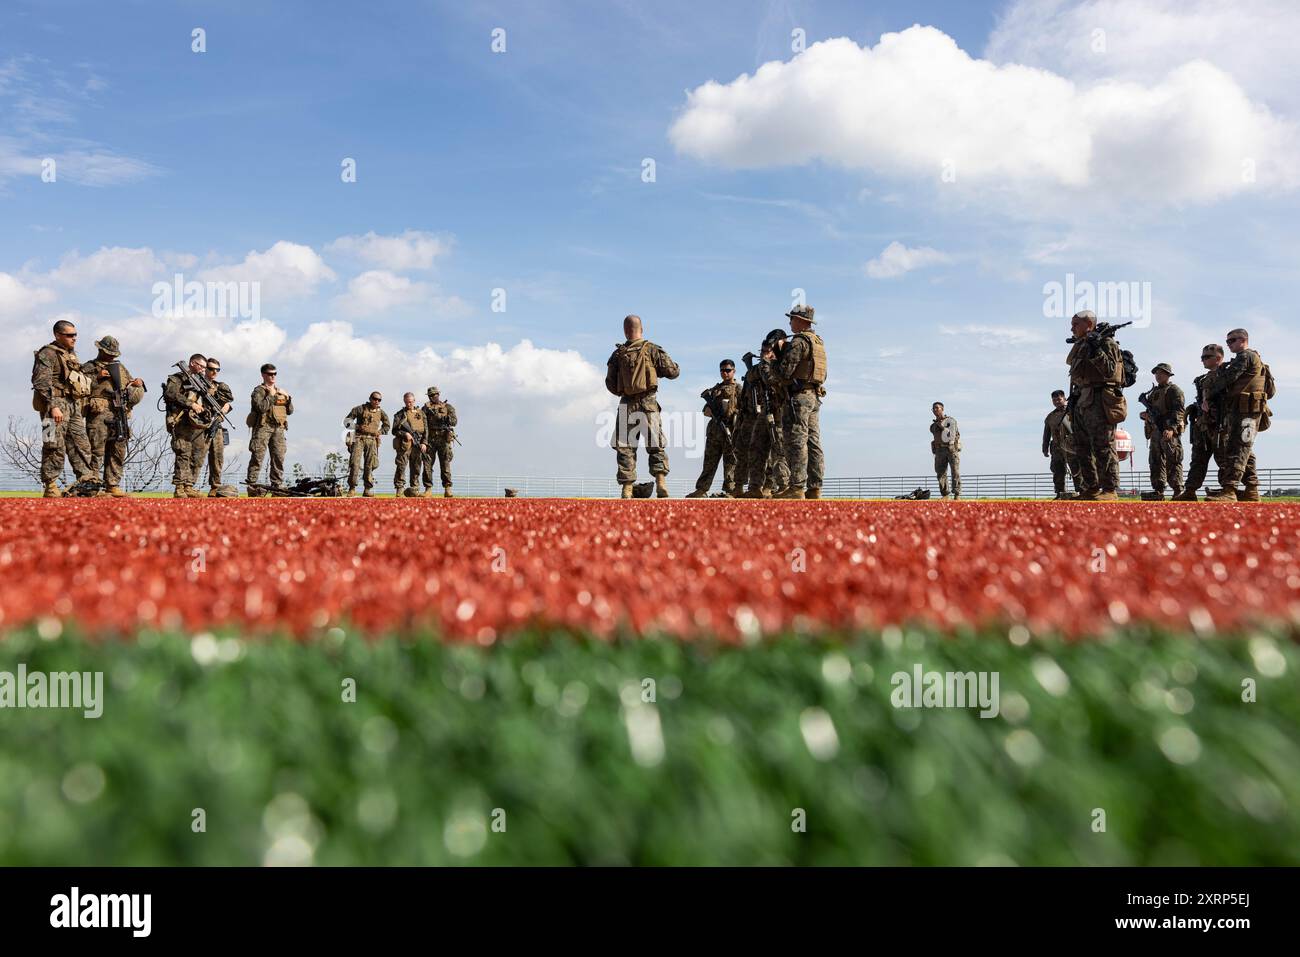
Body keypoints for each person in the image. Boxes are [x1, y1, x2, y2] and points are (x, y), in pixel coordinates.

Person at [605, 314, 680, 498]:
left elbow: (610, 383)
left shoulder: (617, 354)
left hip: (626, 404)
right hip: (648, 403)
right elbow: (673, 372)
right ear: (642, 329)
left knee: (625, 446)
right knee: (655, 444)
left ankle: (627, 488)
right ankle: (661, 482)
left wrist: (625, 391)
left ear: (625, 330)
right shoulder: (652, 349)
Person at [30, 319, 95, 497]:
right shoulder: (47, 354)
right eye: (69, 335)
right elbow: (40, 382)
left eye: (75, 334)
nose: (74, 338)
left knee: (81, 444)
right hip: (53, 406)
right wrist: (52, 407)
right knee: (52, 445)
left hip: (72, 405)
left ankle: (87, 483)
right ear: (57, 335)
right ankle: (50, 486)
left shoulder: (70, 354)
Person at [1065, 310, 1126, 501]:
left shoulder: (1106, 343)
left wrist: (1096, 349)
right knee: (1081, 446)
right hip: (1082, 399)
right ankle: (1091, 487)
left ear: (1089, 324)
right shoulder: (1080, 345)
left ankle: (1109, 489)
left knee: (1103, 446)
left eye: (1076, 324)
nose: (1072, 328)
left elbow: (1109, 370)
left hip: (1100, 399)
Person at [1205, 329, 1271, 502]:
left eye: (1232, 340)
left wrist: (1209, 395)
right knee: (1244, 450)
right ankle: (1251, 489)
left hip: (1246, 411)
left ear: (1243, 340)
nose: (1229, 344)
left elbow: (1226, 379)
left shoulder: (1245, 356)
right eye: (1227, 341)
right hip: (1241, 410)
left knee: (1238, 448)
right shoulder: (1252, 358)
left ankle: (1230, 490)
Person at [81, 336, 145, 497]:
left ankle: (112, 484)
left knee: (118, 449)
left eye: (113, 354)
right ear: (100, 350)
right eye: (108, 353)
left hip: (119, 411)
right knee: (96, 449)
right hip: (98, 413)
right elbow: (79, 387)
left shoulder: (120, 367)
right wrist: (97, 377)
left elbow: (128, 383)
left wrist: (137, 383)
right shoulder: (89, 367)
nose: (111, 356)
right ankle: (92, 485)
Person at [773, 305, 826, 500]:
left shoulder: (799, 342)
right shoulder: (818, 342)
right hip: (814, 395)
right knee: (813, 442)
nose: (790, 322)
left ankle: (796, 487)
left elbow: (784, 372)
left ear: (802, 321)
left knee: (796, 440)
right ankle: (815, 487)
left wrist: (776, 356)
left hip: (799, 397)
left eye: (793, 319)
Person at [1173, 345, 1224, 502]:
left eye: (1207, 357)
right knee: (1197, 460)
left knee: (1225, 459)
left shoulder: (1227, 375)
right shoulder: (1204, 378)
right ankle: (1190, 490)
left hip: (1220, 425)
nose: (1203, 360)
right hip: (1203, 424)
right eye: (1202, 357)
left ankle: (1234, 489)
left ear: (1218, 358)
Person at [686, 360, 741, 498]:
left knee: (731, 462)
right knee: (709, 461)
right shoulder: (715, 390)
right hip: (715, 431)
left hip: (731, 430)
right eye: (722, 370)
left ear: (734, 371)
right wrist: (712, 411)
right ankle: (702, 489)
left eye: (728, 370)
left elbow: (745, 409)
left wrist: (734, 415)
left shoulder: (739, 389)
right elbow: (705, 411)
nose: (725, 373)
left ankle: (730, 489)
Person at [163, 353, 212, 498]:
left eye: (204, 367)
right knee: (183, 453)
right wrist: (191, 404)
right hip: (180, 421)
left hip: (196, 423)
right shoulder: (177, 378)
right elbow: (170, 394)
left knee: (197, 454)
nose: (203, 369)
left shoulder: (201, 382)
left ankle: (189, 486)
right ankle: (179, 487)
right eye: (201, 366)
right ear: (192, 363)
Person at [1139, 363, 1185, 501]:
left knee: (1173, 459)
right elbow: (1151, 411)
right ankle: (1158, 490)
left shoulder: (1174, 390)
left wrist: (1171, 428)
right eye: (1156, 373)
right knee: (1155, 461)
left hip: (1168, 430)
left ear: (1168, 375)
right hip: (1155, 431)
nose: (1158, 376)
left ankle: (1177, 490)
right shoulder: (1154, 392)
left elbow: (1179, 411)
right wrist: (1145, 415)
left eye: (1161, 373)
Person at [245, 363, 293, 495]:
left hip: (279, 428)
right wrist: (271, 395)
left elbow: (290, 411)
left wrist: (288, 398)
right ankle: (252, 485)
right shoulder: (259, 391)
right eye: (270, 374)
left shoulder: (280, 391)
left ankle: (277, 485)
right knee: (257, 456)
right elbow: (261, 408)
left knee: (278, 457)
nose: (273, 376)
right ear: (263, 375)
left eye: (275, 374)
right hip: (263, 427)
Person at [344, 391, 390, 496]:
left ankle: (367, 489)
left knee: (369, 465)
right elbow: (347, 421)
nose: (377, 401)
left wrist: (380, 432)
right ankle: (352, 488)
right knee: (355, 463)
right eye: (375, 399)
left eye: (379, 400)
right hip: (359, 438)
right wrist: (358, 427)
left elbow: (387, 426)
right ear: (370, 398)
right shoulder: (360, 409)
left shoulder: (381, 413)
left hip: (372, 440)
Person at [201, 357, 234, 496]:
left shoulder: (221, 386)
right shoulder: (197, 383)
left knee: (217, 456)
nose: (214, 372)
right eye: (211, 369)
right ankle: (187, 486)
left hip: (216, 424)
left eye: (217, 370)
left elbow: (228, 403)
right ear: (205, 369)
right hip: (199, 424)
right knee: (197, 456)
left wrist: (225, 409)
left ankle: (215, 486)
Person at [1042, 390, 1080, 499]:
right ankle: (1059, 493)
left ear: (1064, 398)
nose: (1057, 402)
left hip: (1072, 447)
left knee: (1076, 470)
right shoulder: (1050, 417)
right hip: (1056, 448)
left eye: (1059, 399)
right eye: (1054, 400)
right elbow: (1046, 434)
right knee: (1057, 470)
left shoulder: (1072, 412)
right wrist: (1044, 448)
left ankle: (1081, 491)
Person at [422, 386, 458, 498]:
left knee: (445, 464)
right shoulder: (425, 408)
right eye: (431, 395)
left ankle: (448, 488)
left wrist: (445, 418)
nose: (433, 397)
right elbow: (422, 424)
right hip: (430, 439)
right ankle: (428, 489)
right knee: (427, 464)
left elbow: (454, 421)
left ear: (438, 394)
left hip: (443, 438)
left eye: (435, 394)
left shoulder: (448, 407)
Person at [391, 392, 427, 497]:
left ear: (414, 401)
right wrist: (404, 433)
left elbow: (426, 430)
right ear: (404, 401)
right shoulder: (399, 414)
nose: (409, 404)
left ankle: (414, 489)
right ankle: (399, 488)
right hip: (405, 444)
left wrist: (424, 442)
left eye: (410, 402)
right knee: (401, 465)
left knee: (416, 466)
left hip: (418, 442)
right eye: (407, 402)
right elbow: (394, 431)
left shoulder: (421, 413)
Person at [929, 402, 961, 500]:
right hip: (939, 451)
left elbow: (952, 434)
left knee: (955, 472)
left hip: (951, 449)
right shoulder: (933, 426)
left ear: (942, 409)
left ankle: (957, 494)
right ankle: (945, 494)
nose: (935, 410)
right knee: (940, 473)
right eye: (933, 408)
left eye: (937, 408)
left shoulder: (951, 421)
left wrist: (941, 425)